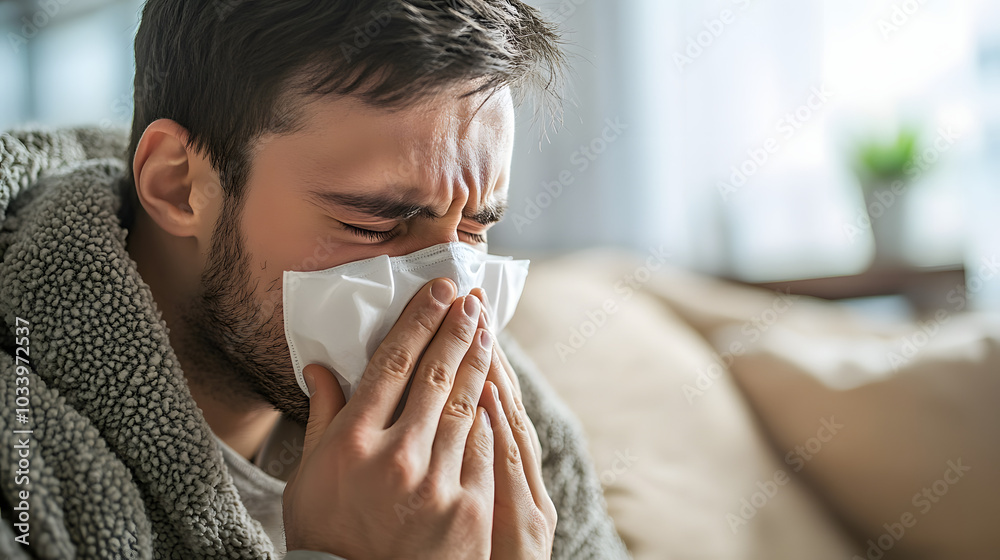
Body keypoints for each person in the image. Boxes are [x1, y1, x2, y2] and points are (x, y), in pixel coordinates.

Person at [0, 1, 629, 559]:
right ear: (179, 186)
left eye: (474, 228)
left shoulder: (491, 413)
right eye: (373, 225)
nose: (449, 296)